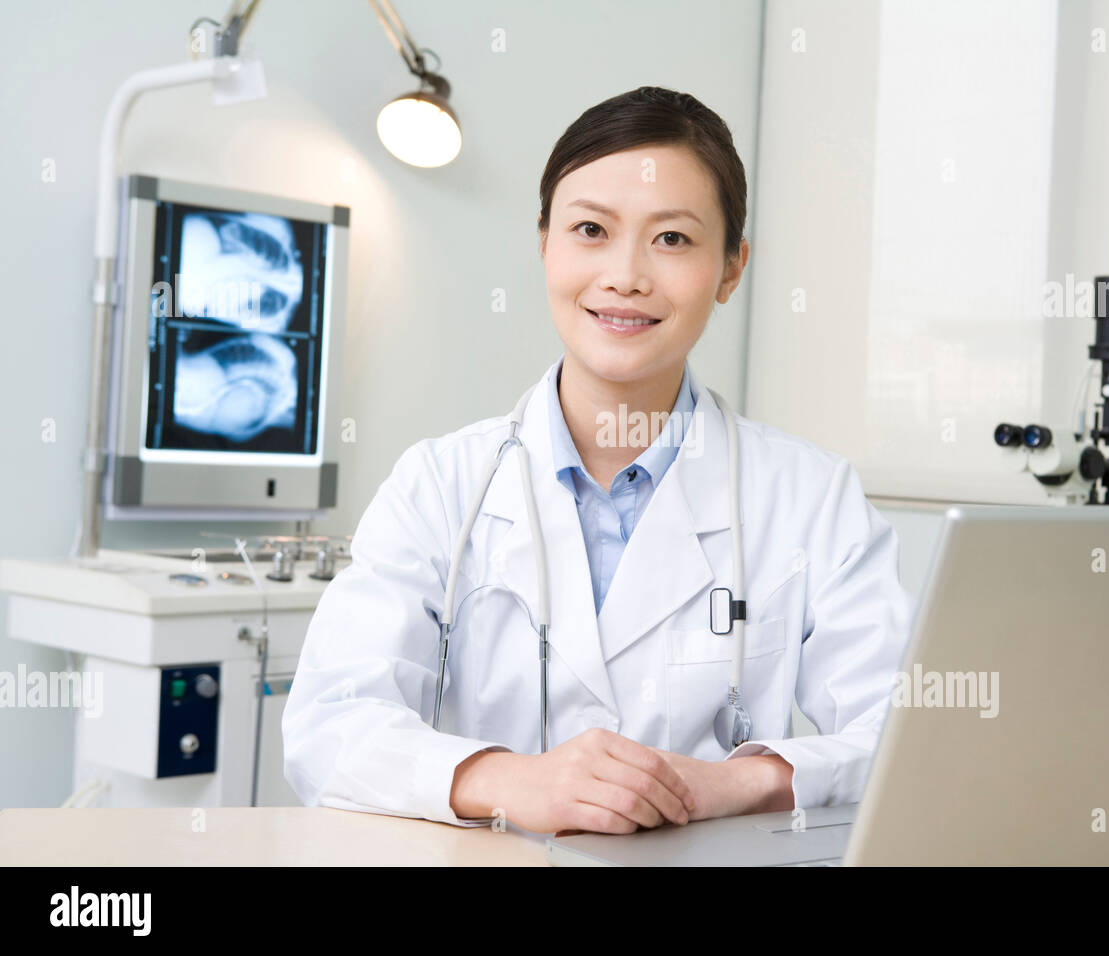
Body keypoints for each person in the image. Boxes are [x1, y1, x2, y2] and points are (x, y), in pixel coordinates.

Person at [282, 86, 914, 836]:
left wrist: (734, 781)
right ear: (545, 242)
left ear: (732, 268)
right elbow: (329, 727)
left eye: (673, 239)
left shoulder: (810, 496)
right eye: (590, 229)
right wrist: (514, 780)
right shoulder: (440, 486)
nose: (625, 275)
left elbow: (908, 735)